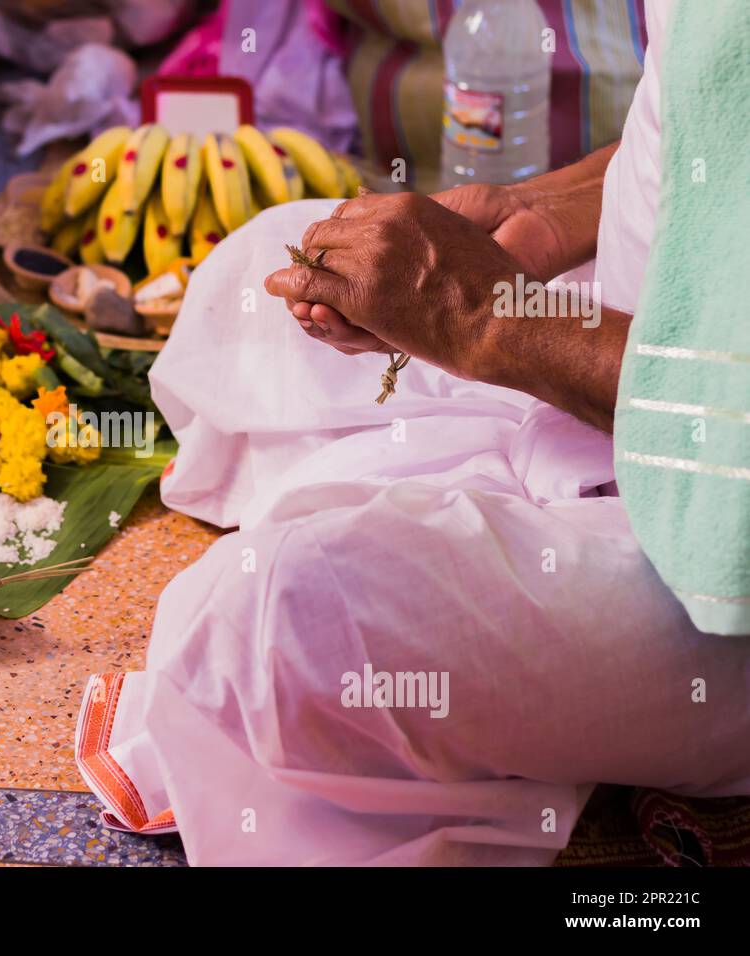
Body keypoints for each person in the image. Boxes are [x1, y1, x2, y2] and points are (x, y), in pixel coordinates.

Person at [75, 0, 750, 865]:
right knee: (255, 277)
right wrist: (530, 216)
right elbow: (700, 118)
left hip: (708, 549)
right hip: (611, 361)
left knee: (285, 618)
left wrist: (493, 322)